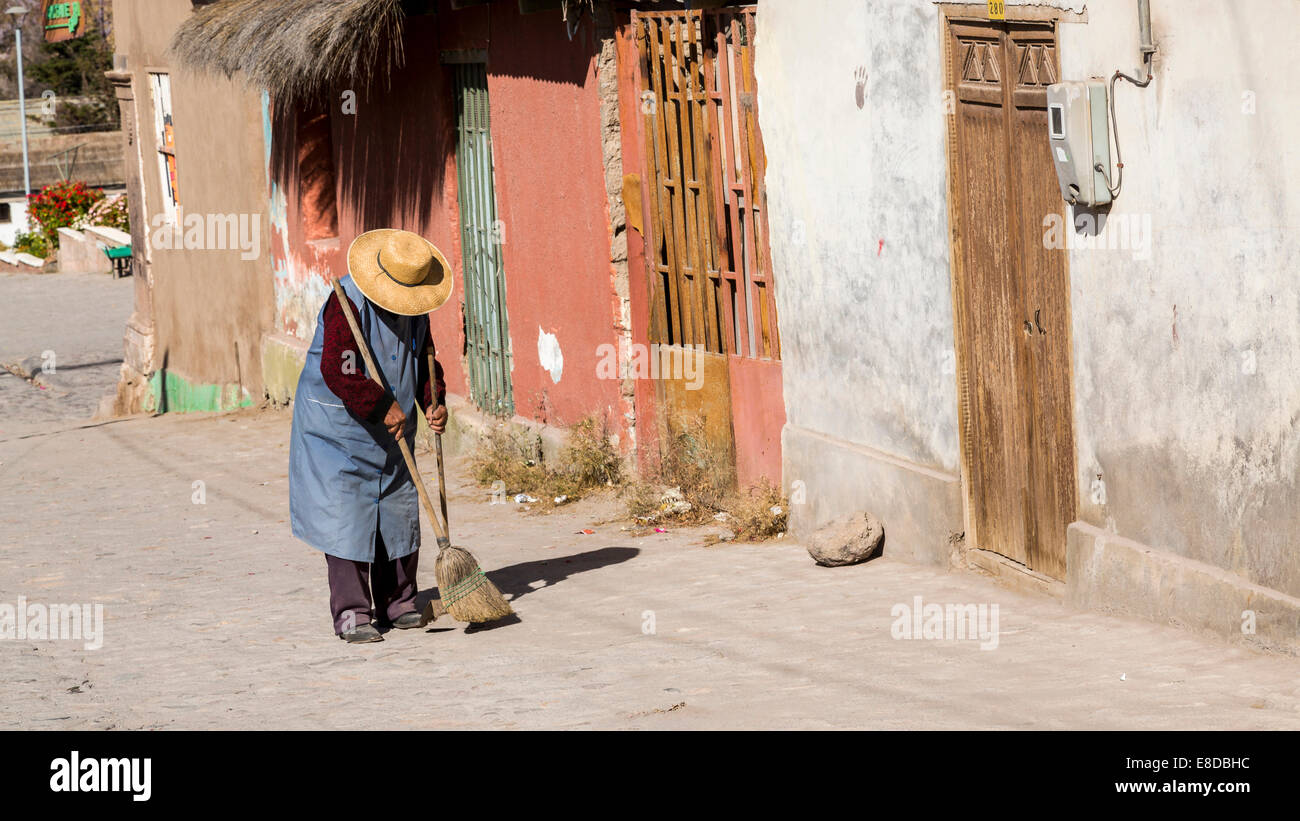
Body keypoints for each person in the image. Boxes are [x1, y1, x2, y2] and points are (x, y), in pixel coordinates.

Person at [288, 229, 453, 643]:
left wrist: (433, 401)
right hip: (338, 432)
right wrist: (382, 406)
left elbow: (425, 362)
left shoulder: (417, 308)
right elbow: (339, 369)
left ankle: (399, 603)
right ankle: (353, 615)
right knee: (347, 519)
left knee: (398, 510)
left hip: (393, 429)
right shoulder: (345, 304)